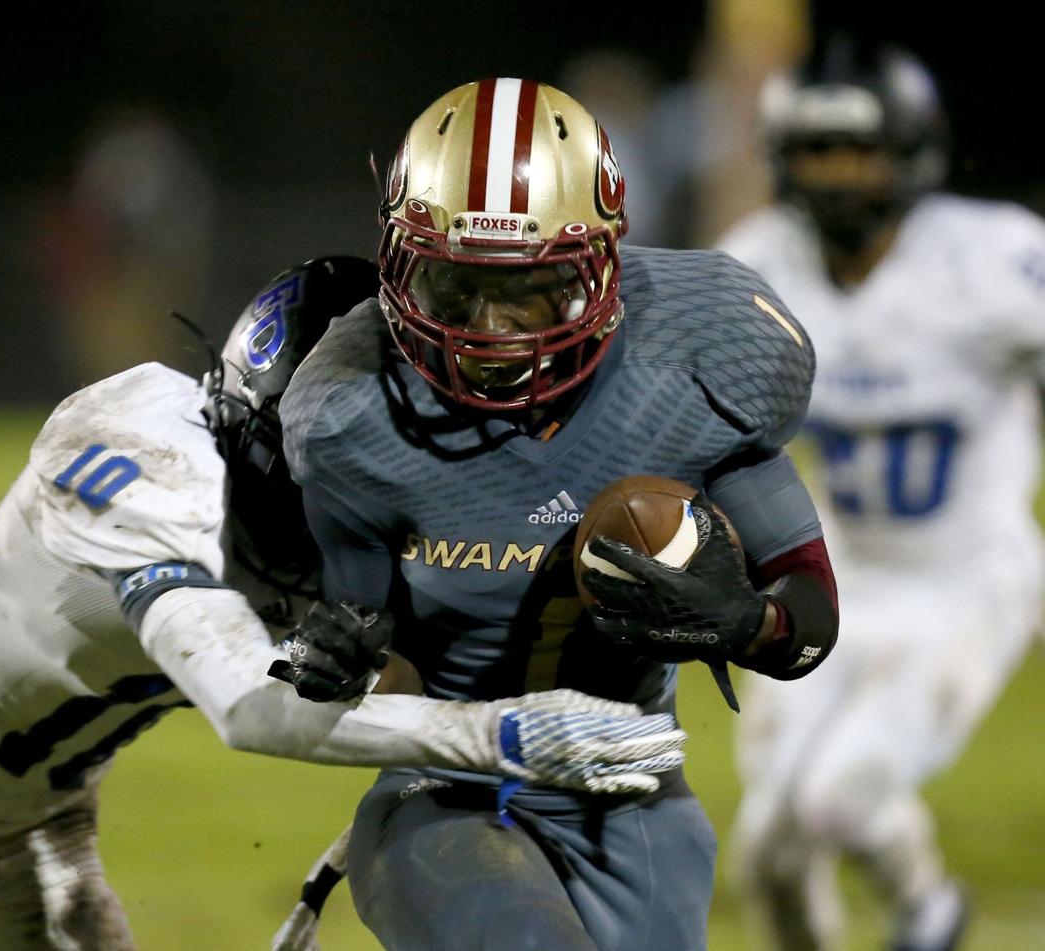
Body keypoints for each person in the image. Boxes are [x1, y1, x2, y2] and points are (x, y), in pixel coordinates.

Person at [0, 257, 687, 950]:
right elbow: (251, 702)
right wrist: (503, 736)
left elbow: (399, 710)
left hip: (31, 837)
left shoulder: (336, 536)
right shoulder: (139, 443)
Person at [278, 78, 840, 951]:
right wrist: (343, 666)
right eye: (454, 286)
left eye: (530, 288)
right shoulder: (348, 411)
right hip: (450, 787)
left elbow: (808, 625)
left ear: (603, 263)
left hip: (633, 787)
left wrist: (742, 621)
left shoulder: (705, 350)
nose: (489, 327)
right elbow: (375, 659)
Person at [718, 35, 1045, 951]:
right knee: (769, 854)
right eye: (819, 152)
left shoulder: (994, 262)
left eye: (857, 152)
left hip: (967, 579)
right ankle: (924, 914)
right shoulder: (760, 263)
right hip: (835, 574)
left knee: (839, 800)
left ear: (909, 153)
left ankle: (923, 913)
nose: (838, 177)